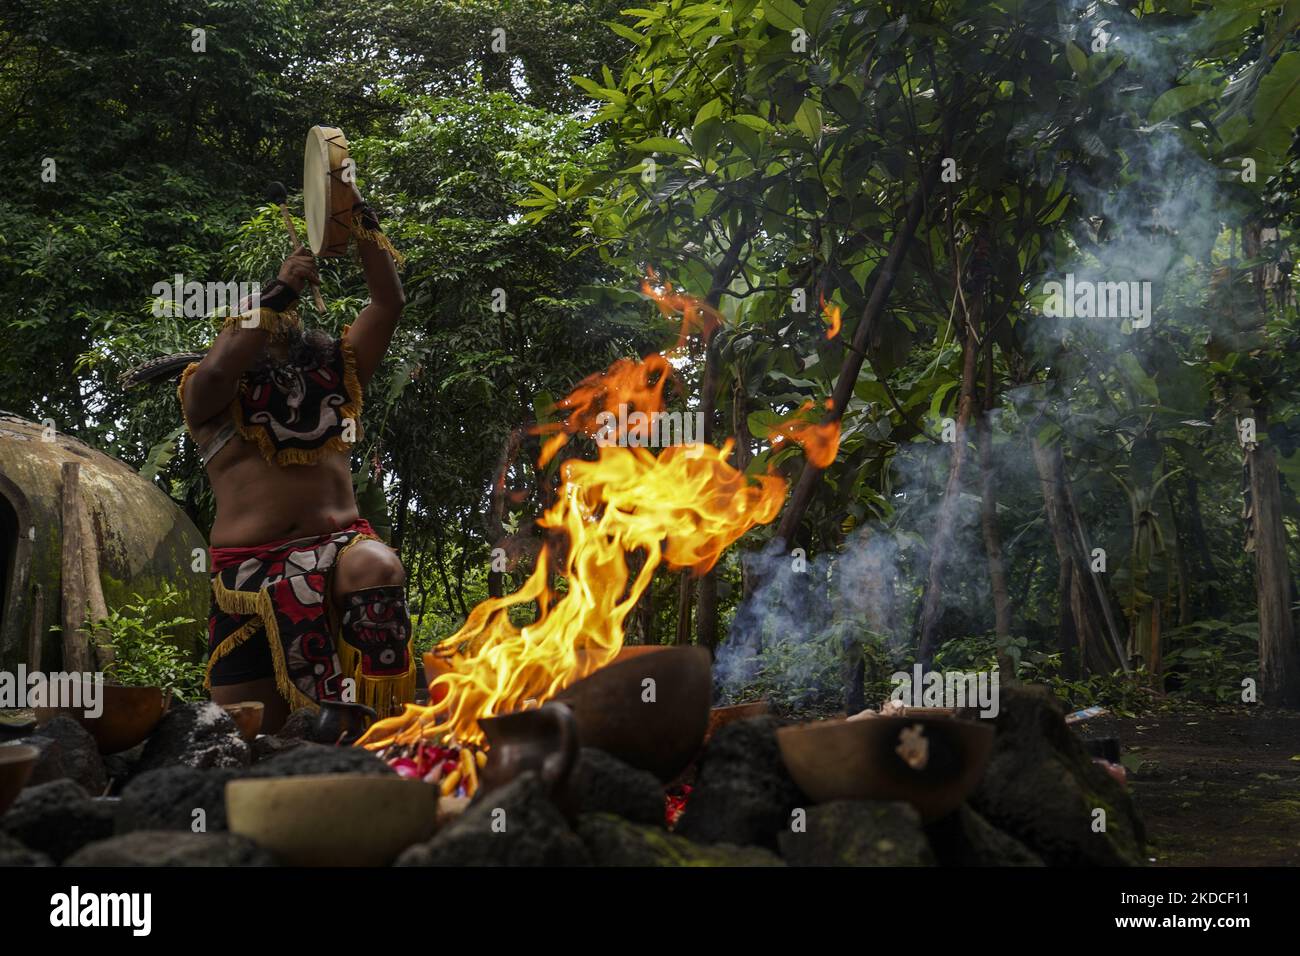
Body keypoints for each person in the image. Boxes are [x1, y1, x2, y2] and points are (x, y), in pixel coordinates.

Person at [175, 180, 412, 732]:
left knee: (377, 562)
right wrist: (279, 289)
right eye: (255, 312)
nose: (277, 317)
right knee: (249, 732)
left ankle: (380, 753)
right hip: (249, 584)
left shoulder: (336, 374)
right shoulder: (206, 394)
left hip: (341, 556)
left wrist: (356, 213)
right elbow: (219, 367)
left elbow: (388, 302)